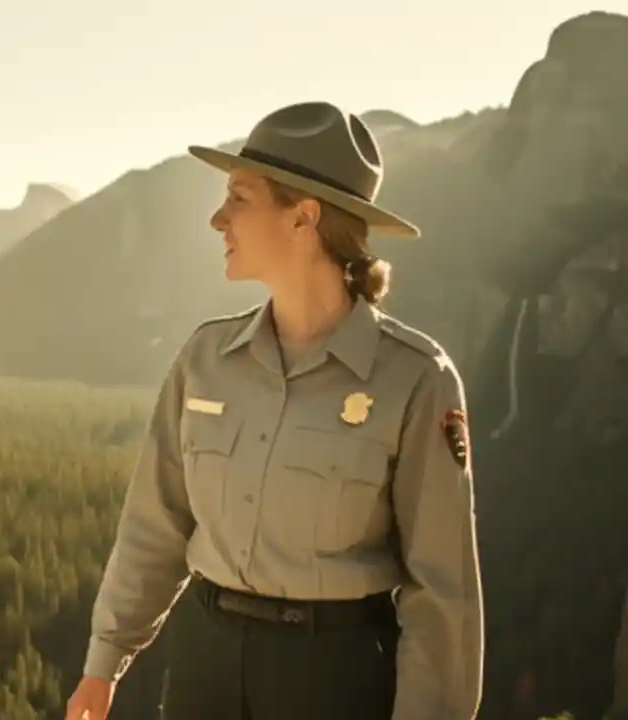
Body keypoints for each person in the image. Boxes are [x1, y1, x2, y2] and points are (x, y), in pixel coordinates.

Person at [64, 101, 484, 720]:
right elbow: (154, 526)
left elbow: (442, 593)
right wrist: (104, 664)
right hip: (204, 666)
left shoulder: (416, 379)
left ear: (303, 218)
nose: (216, 219)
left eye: (238, 198)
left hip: (333, 677)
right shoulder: (205, 358)